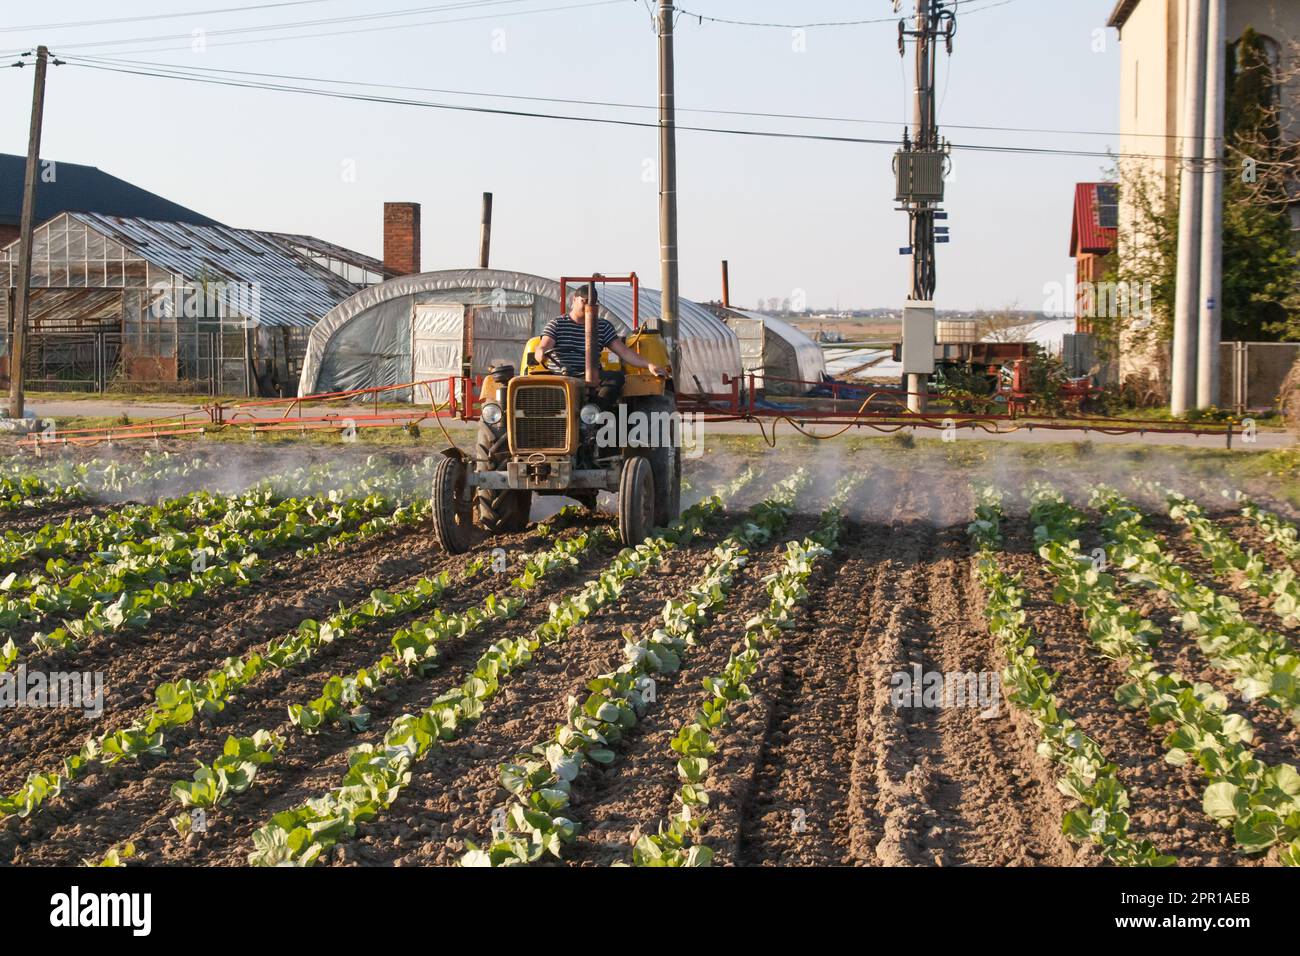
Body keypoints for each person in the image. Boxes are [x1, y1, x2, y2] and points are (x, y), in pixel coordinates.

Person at [535, 287, 669, 381]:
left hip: (590, 374)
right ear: (574, 300)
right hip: (559, 374)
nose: (588, 306)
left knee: (616, 379)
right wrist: (541, 352)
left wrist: (649, 365)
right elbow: (545, 345)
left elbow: (624, 352)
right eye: (584, 301)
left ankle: (594, 413)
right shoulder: (557, 324)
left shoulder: (603, 327)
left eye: (592, 303)